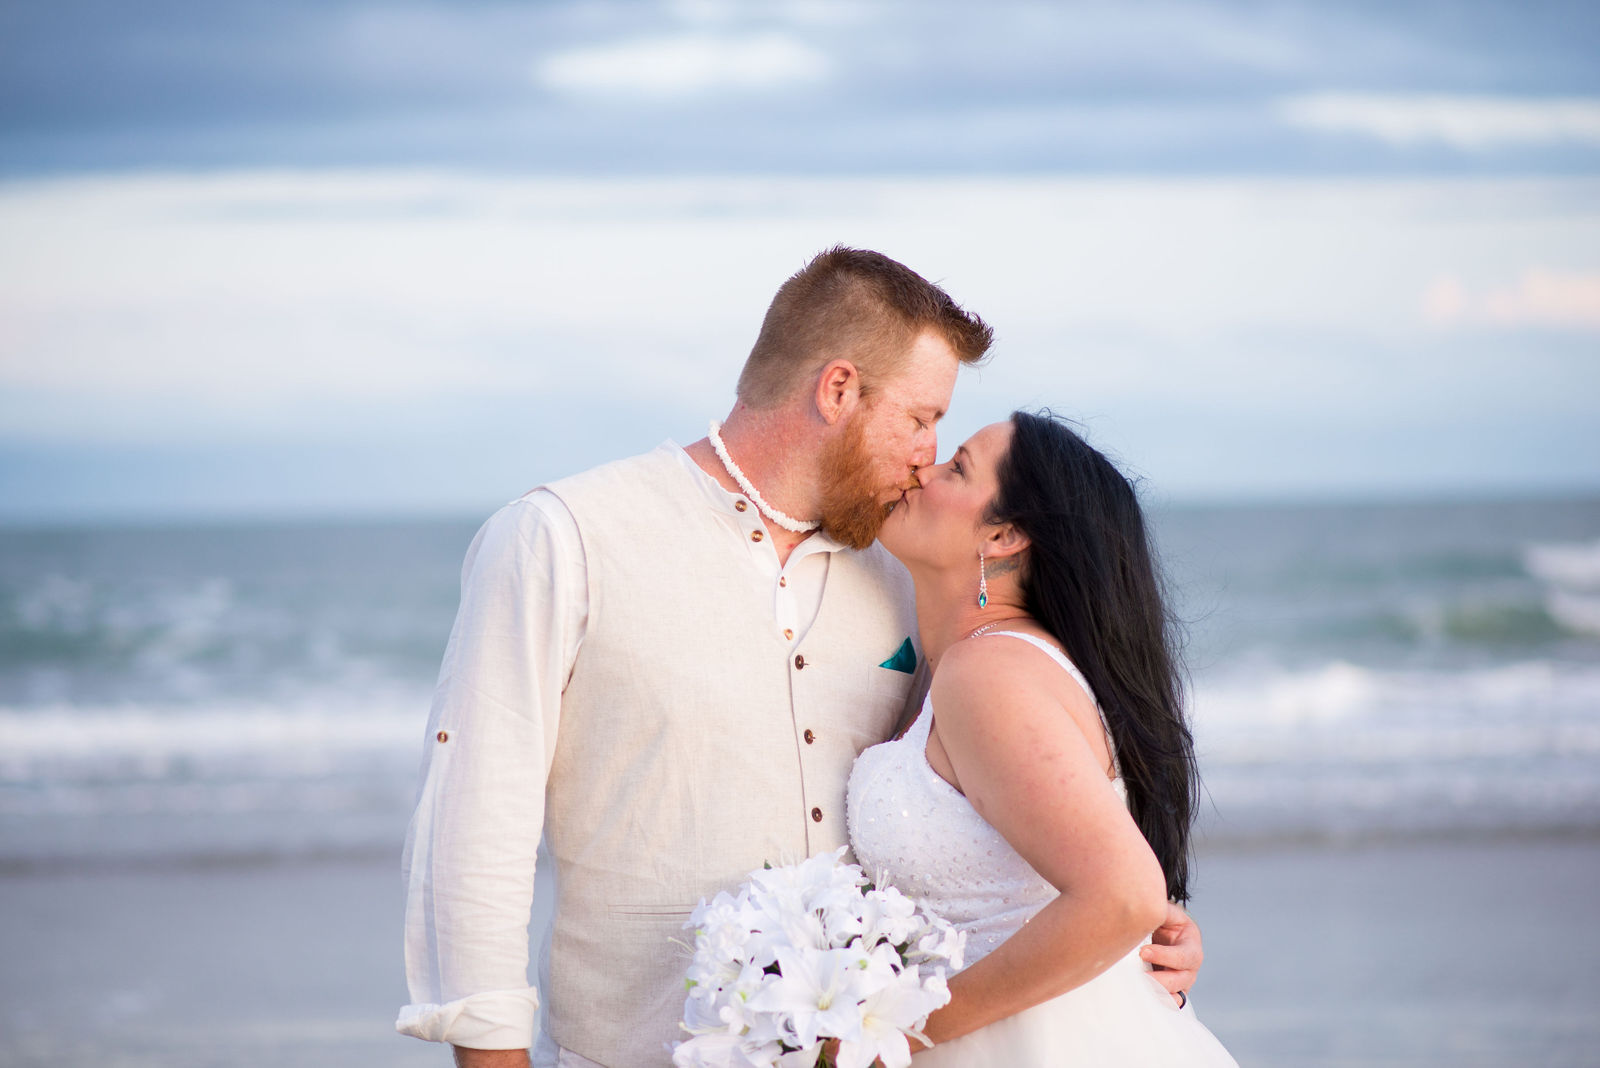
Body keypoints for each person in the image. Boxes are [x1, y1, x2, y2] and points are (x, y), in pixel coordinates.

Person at [398, 248, 1206, 1068]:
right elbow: (475, 830)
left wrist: (1143, 928)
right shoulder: (565, 539)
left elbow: (1009, 788)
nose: (929, 454)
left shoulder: (909, 577)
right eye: (922, 419)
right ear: (838, 390)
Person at [848, 410, 1236, 1064]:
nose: (924, 467)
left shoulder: (987, 672)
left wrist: (907, 1029)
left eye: (957, 467)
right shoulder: (988, 664)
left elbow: (1121, 893)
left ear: (1002, 534)